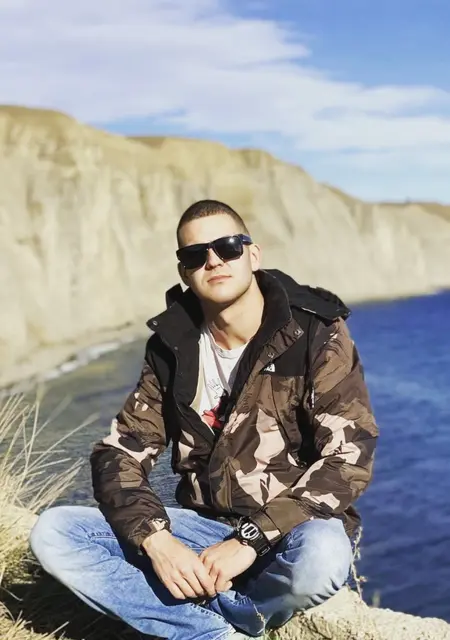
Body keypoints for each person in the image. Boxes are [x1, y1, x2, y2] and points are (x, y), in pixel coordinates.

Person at [30, 199, 379, 640]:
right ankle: (212, 631)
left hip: (288, 531)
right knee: (54, 533)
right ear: (184, 272)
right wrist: (157, 540)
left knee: (323, 555)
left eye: (228, 247)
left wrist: (250, 540)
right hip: (203, 531)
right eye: (196, 255)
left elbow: (349, 456)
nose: (213, 260)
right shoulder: (172, 346)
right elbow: (120, 452)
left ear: (253, 254)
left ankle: (214, 611)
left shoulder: (313, 333)